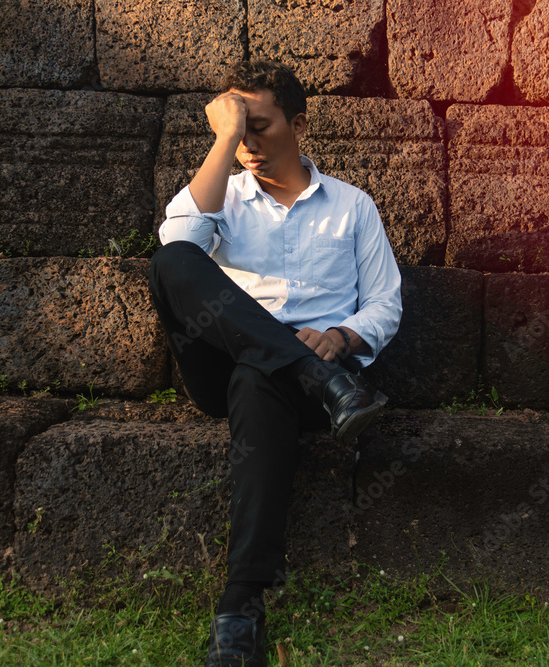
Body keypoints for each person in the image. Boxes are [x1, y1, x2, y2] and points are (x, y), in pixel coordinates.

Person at [147, 60, 402, 667]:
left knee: (260, 375)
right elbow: (178, 241)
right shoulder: (223, 194)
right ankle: (323, 381)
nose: (248, 144)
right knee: (171, 259)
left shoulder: (352, 206)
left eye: (258, 126)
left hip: (295, 383)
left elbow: (386, 304)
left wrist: (341, 338)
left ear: (299, 122)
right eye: (238, 130)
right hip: (246, 369)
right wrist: (223, 139)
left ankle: (240, 609)